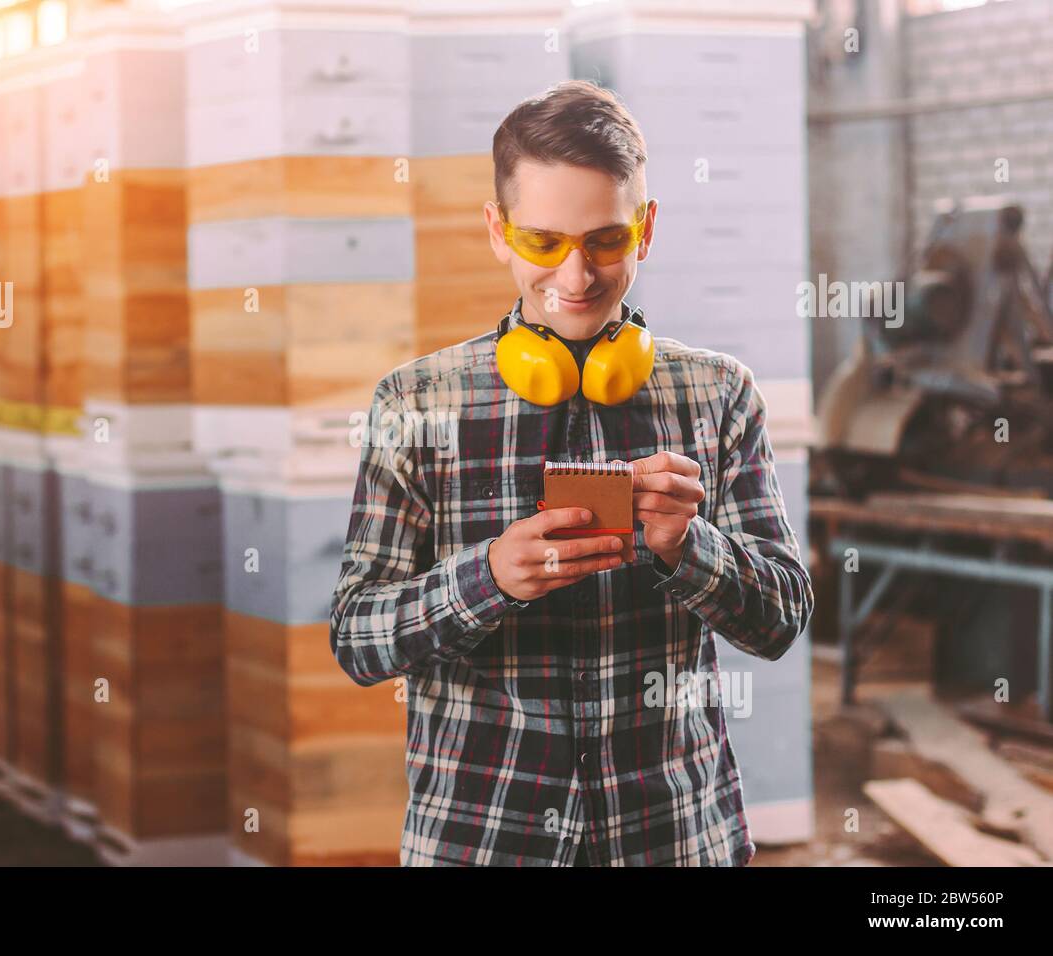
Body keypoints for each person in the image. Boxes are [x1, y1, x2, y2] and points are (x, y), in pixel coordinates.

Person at [330, 80, 813, 866]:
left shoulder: (720, 393)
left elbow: (782, 618)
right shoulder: (415, 400)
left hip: (675, 837)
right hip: (483, 839)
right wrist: (487, 577)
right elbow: (357, 639)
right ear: (498, 230)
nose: (578, 277)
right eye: (544, 242)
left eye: (606, 240)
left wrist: (687, 548)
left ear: (647, 229)